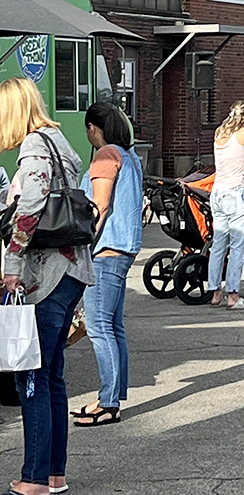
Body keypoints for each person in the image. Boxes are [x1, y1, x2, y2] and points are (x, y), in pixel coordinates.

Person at [0, 78, 95, 495]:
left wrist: (11, 261)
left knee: (32, 377)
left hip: (49, 274)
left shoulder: (35, 146)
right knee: (52, 375)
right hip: (73, 270)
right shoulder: (59, 141)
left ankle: (34, 478)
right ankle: (54, 474)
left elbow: (32, 206)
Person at [71, 103, 143, 427]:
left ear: (93, 128)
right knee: (113, 326)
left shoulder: (105, 155)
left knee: (100, 327)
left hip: (106, 250)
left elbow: (98, 206)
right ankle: (113, 396)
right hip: (124, 248)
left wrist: (82, 245)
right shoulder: (130, 156)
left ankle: (108, 402)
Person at [207, 101, 244, 309]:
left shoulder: (220, 132)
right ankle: (233, 295)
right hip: (235, 192)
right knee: (237, 247)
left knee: (218, 245)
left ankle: (215, 291)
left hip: (218, 192)